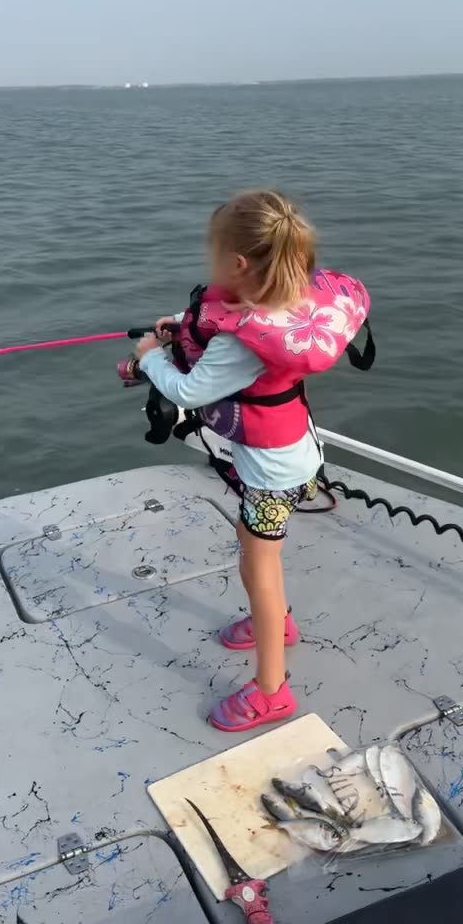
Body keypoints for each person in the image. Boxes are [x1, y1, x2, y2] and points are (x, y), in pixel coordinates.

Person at [135, 189, 370, 732]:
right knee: (254, 552)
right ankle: (277, 624)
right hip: (292, 454)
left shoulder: (241, 344)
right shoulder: (283, 302)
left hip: (272, 474)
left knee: (258, 567)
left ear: (238, 264)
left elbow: (190, 391)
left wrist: (149, 359)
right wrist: (181, 324)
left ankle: (272, 690)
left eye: (213, 255)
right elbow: (221, 313)